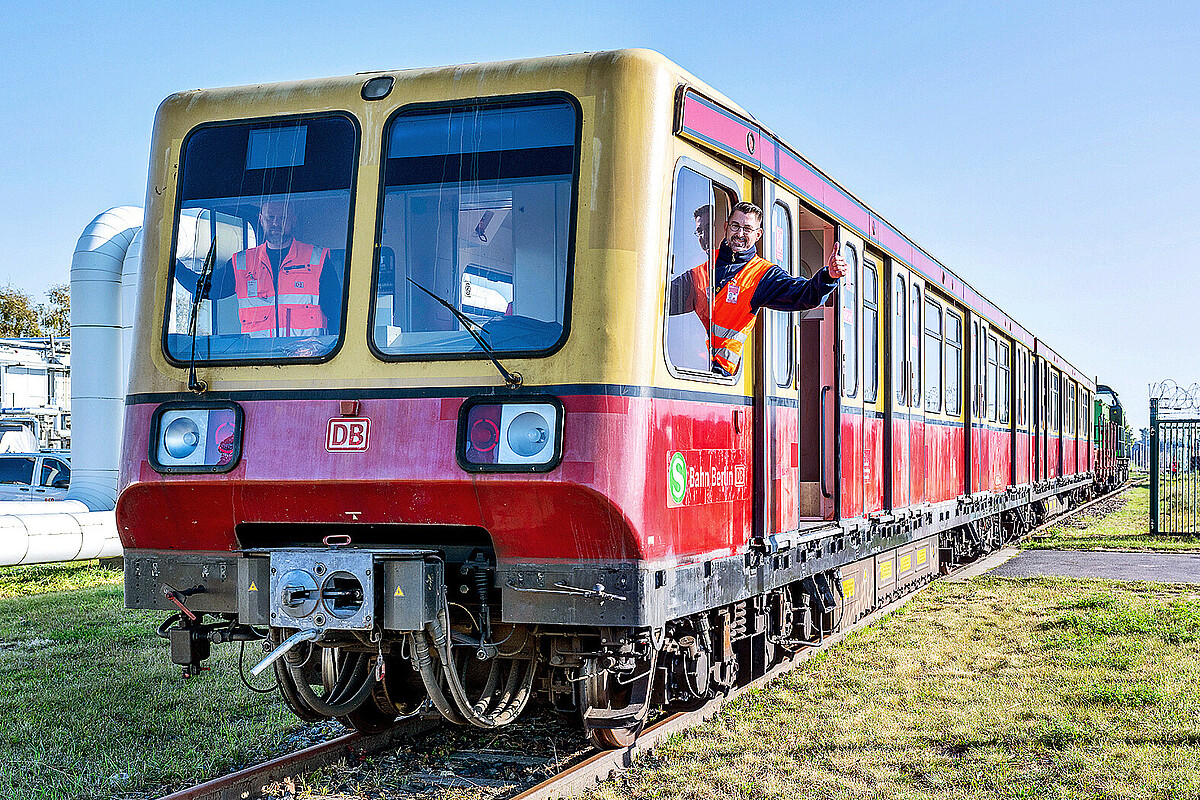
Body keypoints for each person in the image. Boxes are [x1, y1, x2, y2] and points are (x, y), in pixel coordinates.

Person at [670, 201, 847, 375]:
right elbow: (664, 300)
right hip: (686, 369)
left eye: (747, 229)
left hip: (722, 376)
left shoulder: (763, 275)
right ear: (726, 227)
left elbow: (804, 295)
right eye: (735, 226)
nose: (739, 233)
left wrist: (828, 276)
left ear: (758, 234)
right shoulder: (702, 268)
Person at [175, 200, 342, 342]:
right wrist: (174, 265)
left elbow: (337, 314)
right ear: (261, 220)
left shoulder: (317, 259)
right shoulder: (242, 263)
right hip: (258, 363)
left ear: (293, 220)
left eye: (282, 218)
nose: (276, 223)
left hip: (306, 363)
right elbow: (204, 289)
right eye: (270, 218)